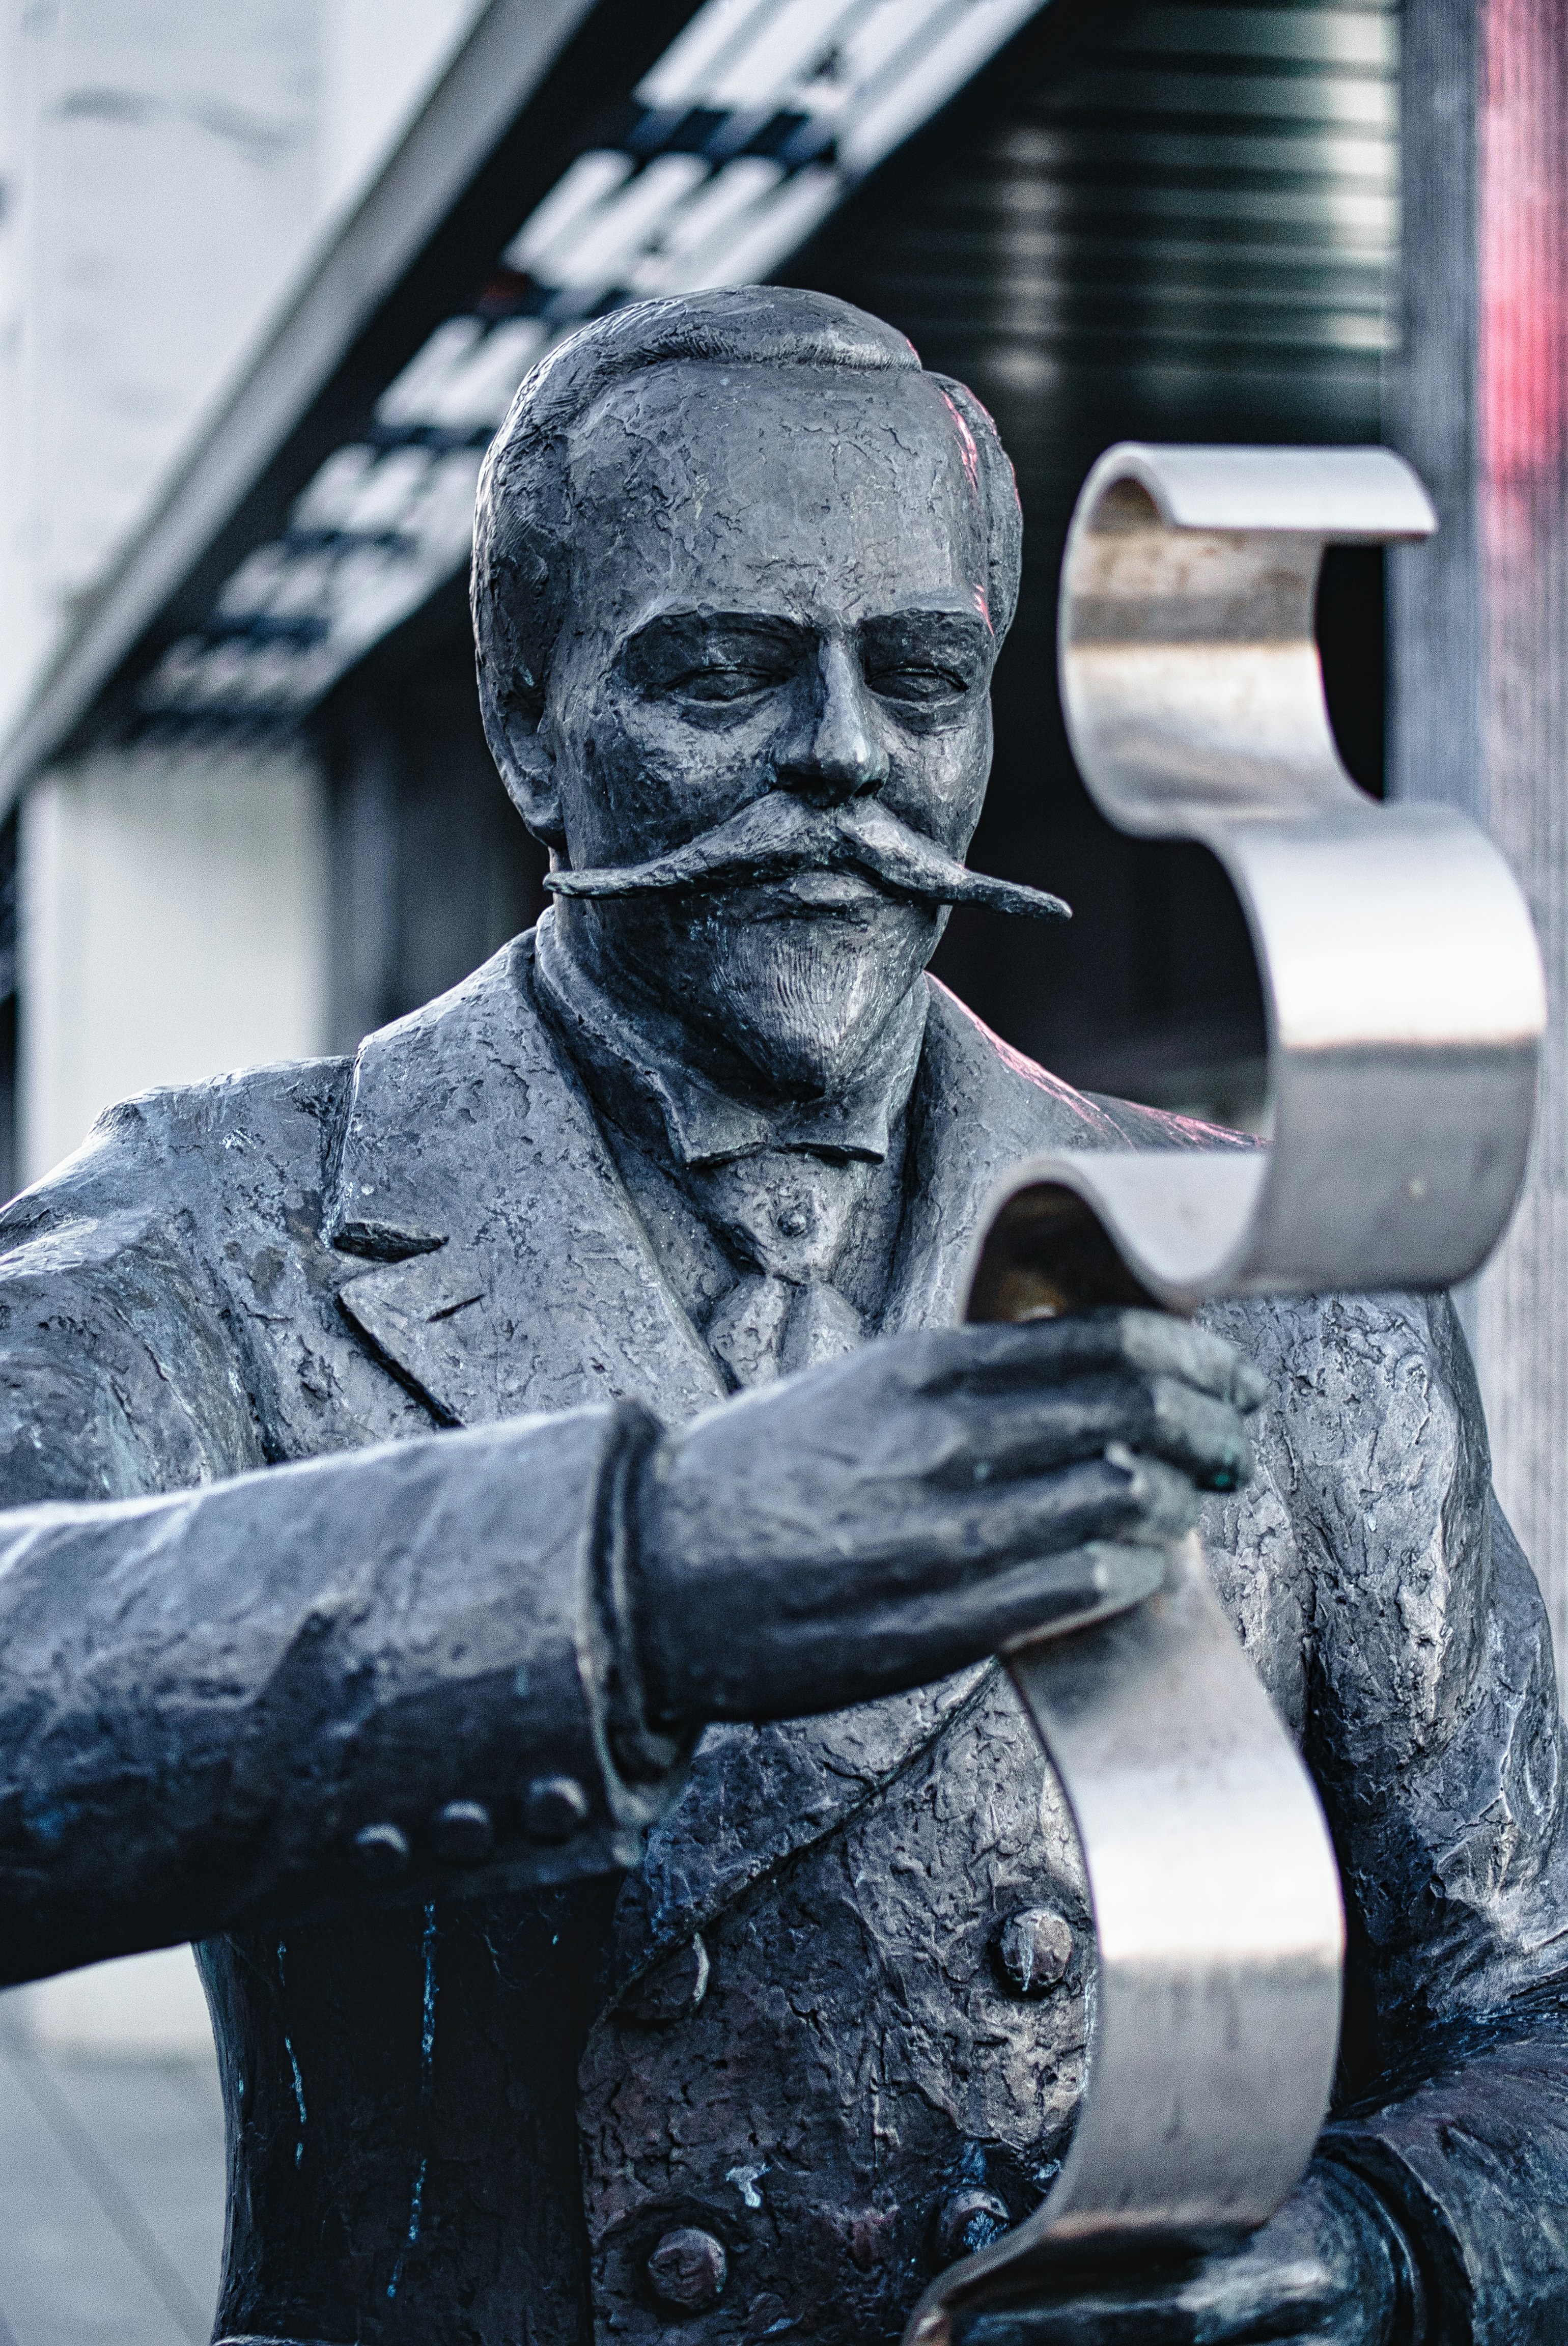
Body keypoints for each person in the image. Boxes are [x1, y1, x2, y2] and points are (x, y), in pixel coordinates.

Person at [0, 287, 1562, 2346]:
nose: (840, 759)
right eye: (721, 677)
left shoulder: (1278, 1289)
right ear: (520, 715)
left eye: (918, 679)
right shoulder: (223, 1229)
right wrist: (636, 1578)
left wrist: (1386, 2252)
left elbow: (1528, 1998)